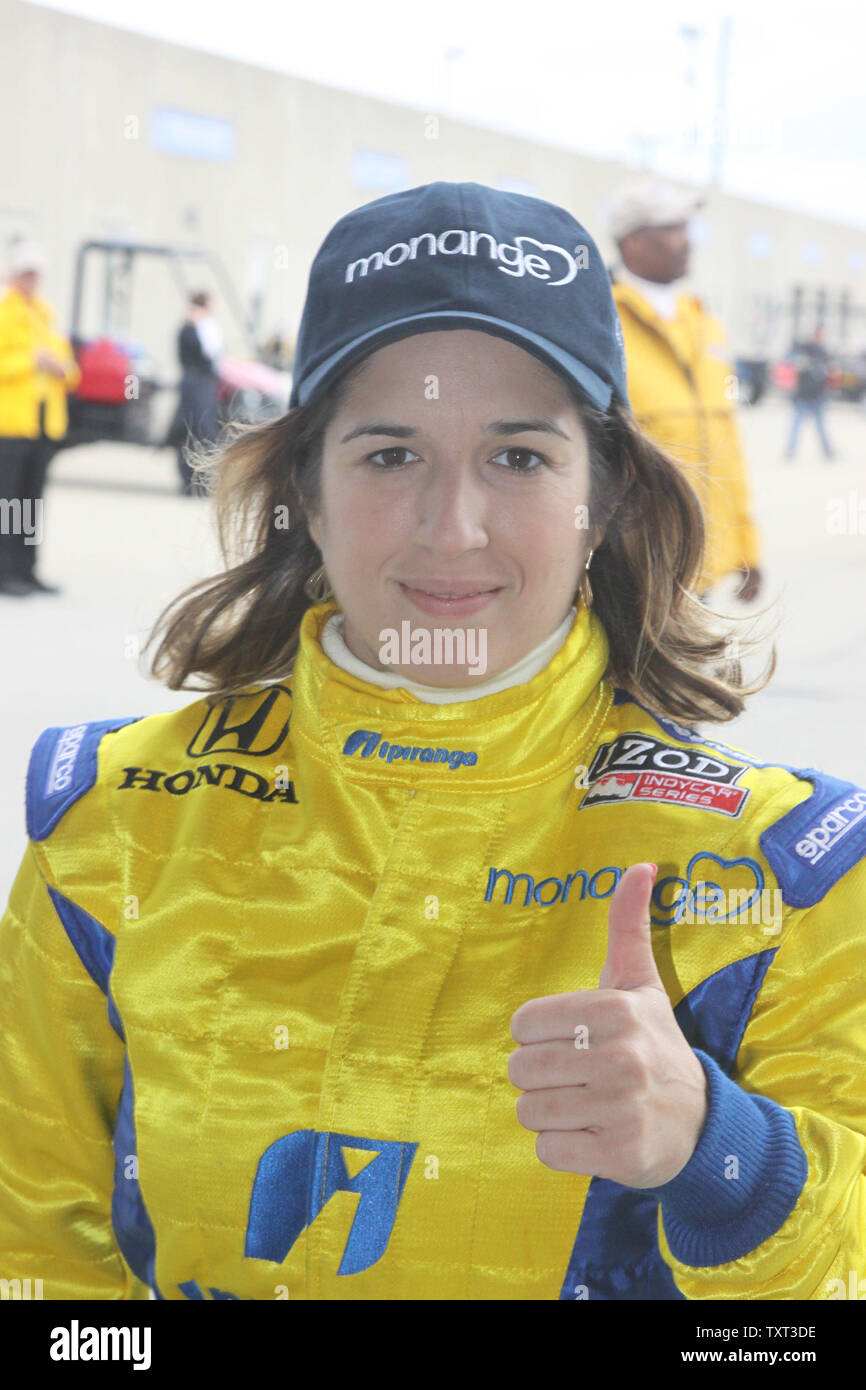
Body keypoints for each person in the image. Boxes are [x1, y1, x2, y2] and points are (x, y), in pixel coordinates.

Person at [1, 181, 864, 1303]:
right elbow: (33, 1258)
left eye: (517, 457)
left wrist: (720, 1159)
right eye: (389, 454)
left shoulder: (780, 872)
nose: (452, 527)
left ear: (599, 501)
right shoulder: (114, 815)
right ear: (304, 492)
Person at [608, 178, 763, 603]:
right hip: (635, 567)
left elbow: (726, 441)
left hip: (704, 564)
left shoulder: (704, 321)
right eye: (673, 229)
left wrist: (747, 548)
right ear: (634, 241)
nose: (687, 242)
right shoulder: (600, 320)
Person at [0, 241, 80, 596]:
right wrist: (32, 361)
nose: (31, 281)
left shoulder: (47, 316)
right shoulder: (4, 313)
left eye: (36, 274)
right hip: (11, 424)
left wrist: (62, 368)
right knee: (9, 502)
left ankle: (28, 569)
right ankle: (5, 572)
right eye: (26, 274)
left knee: (31, 502)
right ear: (13, 275)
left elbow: (71, 370)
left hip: (44, 423)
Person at [168, 290, 222, 496]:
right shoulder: (195, 328)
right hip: (197, 385)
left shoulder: (200, 327)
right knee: (195, 431)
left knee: (198, 432)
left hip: (199, 384)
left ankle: (197, 480)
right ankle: (192, 481)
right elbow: (208, 355)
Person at [785, 326, 836, 460]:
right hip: (804, 394)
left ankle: (828, 452)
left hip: (818, 395)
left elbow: (828, 372)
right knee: (796, 425)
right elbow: (792, 360)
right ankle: (790, 451)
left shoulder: (823, 352)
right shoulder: (804, 349)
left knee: (821, 427)